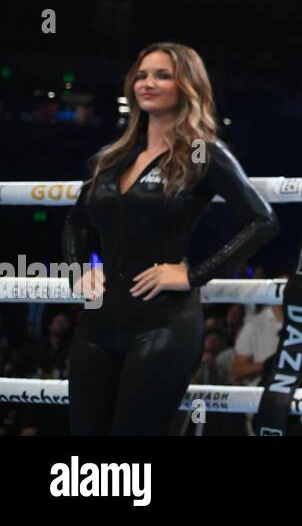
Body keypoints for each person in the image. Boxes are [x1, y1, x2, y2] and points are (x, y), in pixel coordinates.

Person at [61, 42, 278, 436]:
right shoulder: (109, 159)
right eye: (142, 75)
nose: (148, 83)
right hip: (97, 323)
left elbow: (262, 221)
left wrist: (193, 275)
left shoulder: (199, 153)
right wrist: (80, 271)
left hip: (162, 324)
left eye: (162, 75)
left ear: (186, 85)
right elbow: (76, 222)